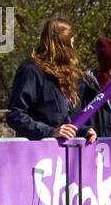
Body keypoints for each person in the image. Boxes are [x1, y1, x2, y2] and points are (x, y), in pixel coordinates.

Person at [6, 16, 97, 144]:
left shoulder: (67, 74)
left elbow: (63, 121)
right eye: (71, 42)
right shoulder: (31, 70)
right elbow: (15, 115)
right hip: (38, 153)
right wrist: (50, 132)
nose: (73, 47)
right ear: (63, 44)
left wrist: (84, 130)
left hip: (63, 156)